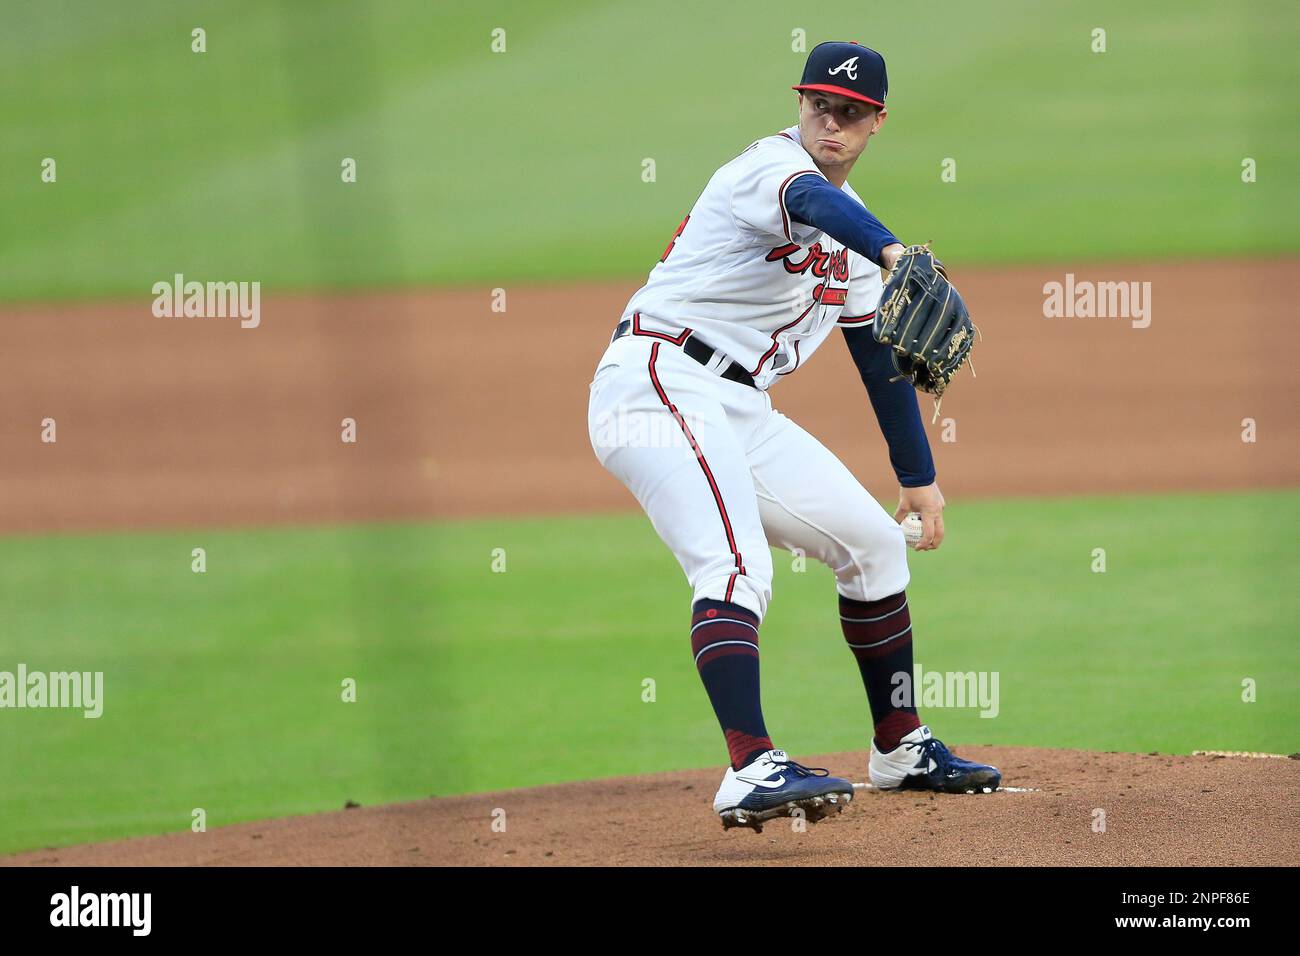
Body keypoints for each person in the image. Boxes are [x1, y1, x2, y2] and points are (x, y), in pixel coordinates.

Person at [586, 41, 1001, 831]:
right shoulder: (768, 170)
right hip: (657, 382)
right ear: (799, 105)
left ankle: (901, 747)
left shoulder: (858, 249)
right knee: (736, 567)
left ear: (878, 121)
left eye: (850, 113)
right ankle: (749, 766)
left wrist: (918, 476)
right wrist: (889, 246)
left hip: (737, 408)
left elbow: (878, 358)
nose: (831, 123)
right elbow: (813, 203)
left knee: (876, 548)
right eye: (819, 106)